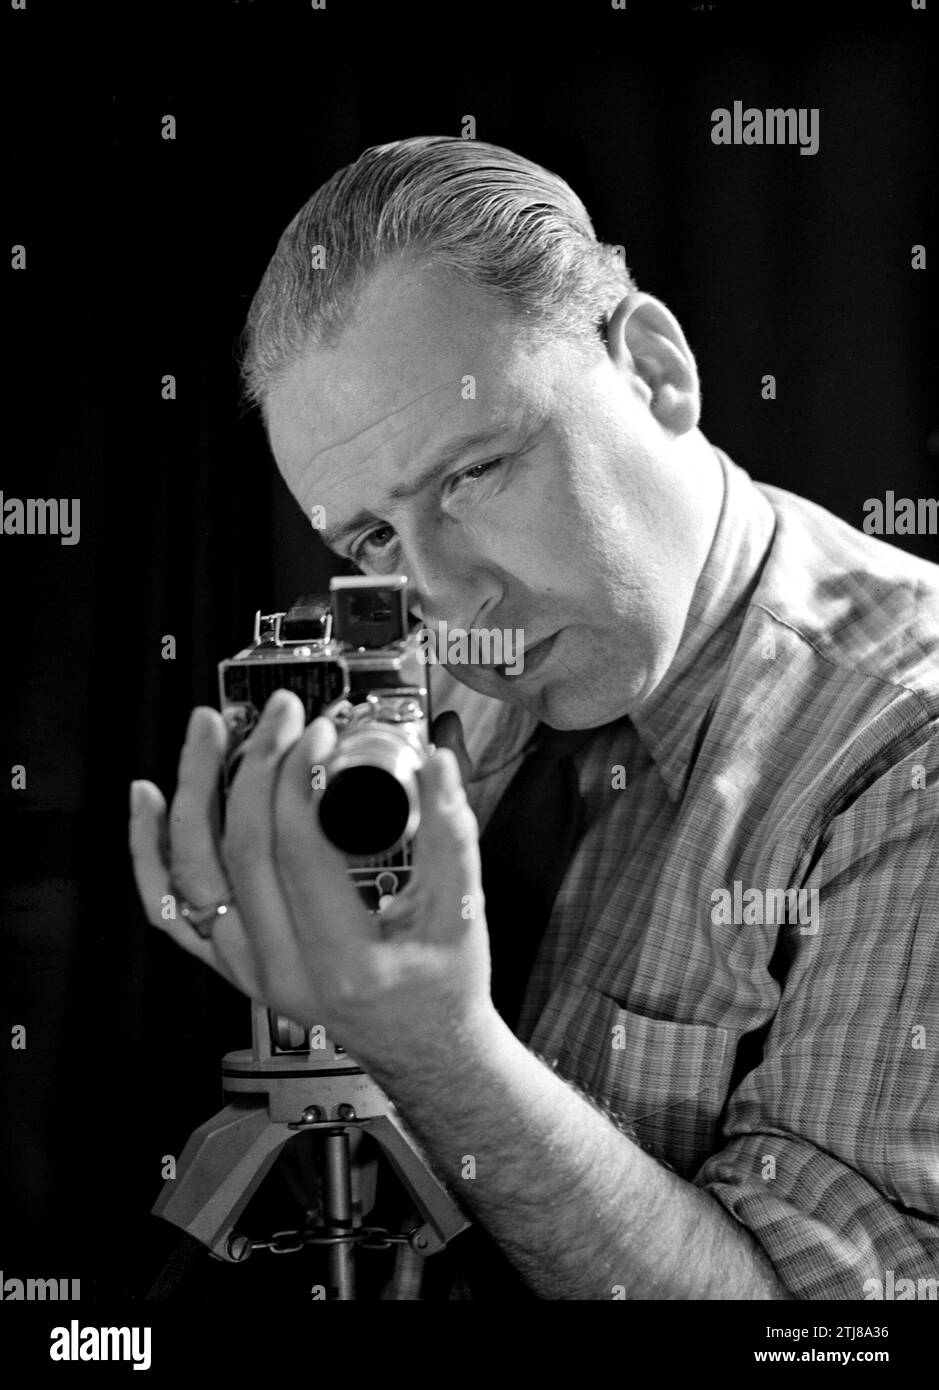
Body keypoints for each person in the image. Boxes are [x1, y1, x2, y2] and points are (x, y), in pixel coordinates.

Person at [129, 137, 938, 1300]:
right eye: (372, 540)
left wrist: (439, 1052)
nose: (450, 602)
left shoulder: (909, 746)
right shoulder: (412, 684)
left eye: (475, 473)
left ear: (656, 370)